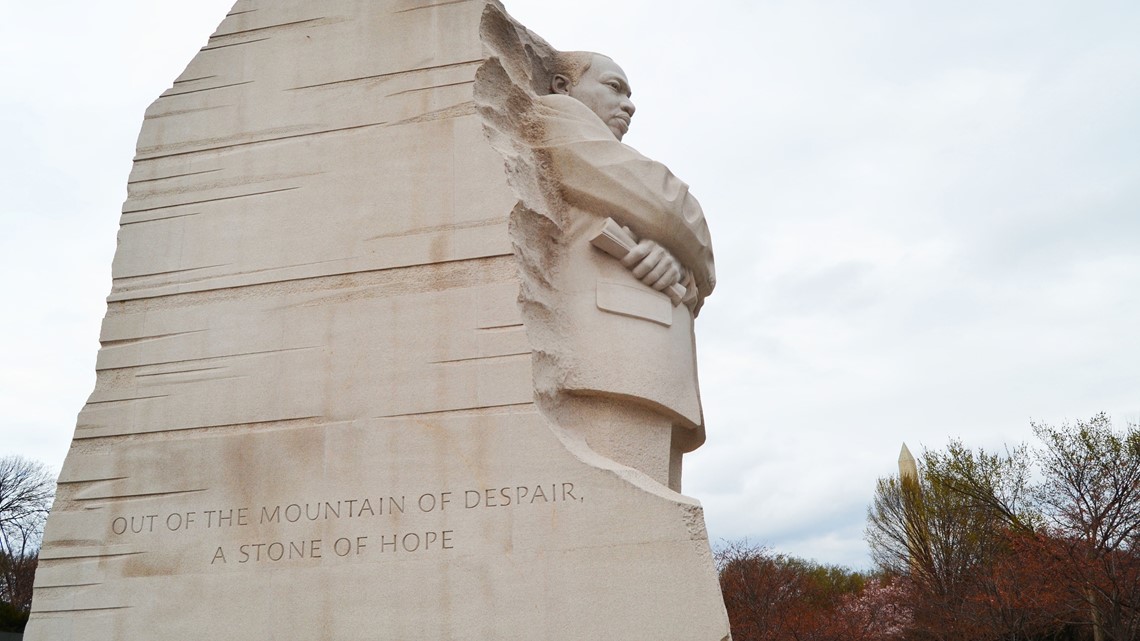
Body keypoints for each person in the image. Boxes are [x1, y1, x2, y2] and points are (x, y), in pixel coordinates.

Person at [477, 44, 715, 492]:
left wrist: (679, 268)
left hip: (645, 353)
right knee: (626, 517)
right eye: (614, 87)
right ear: (564, 86)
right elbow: (672, 209)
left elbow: (683, 250)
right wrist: (688, 246)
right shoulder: (554, 116)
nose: (630, 104)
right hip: (614, 356)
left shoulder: (600, 151)